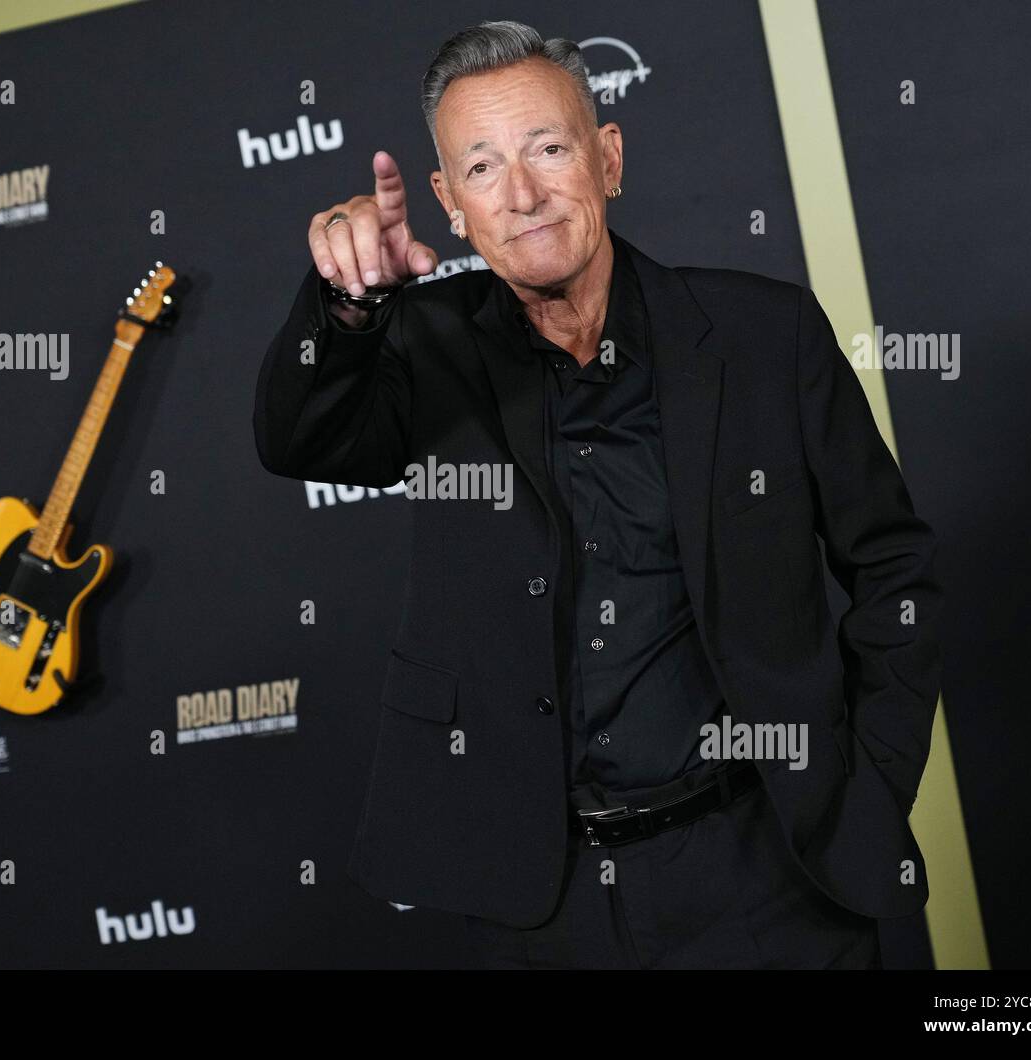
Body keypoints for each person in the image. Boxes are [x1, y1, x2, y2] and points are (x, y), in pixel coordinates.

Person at [252, 20, 943, 969]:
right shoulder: (424, 343)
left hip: (769, 871)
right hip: (546, 901)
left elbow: (894, 564)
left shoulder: (760, 334)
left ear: (608, 157)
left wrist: (871, 784)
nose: (523, 194)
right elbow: (300, 441)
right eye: (483, 169)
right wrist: (350, 303)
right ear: (451, 205)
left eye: (548, 148)